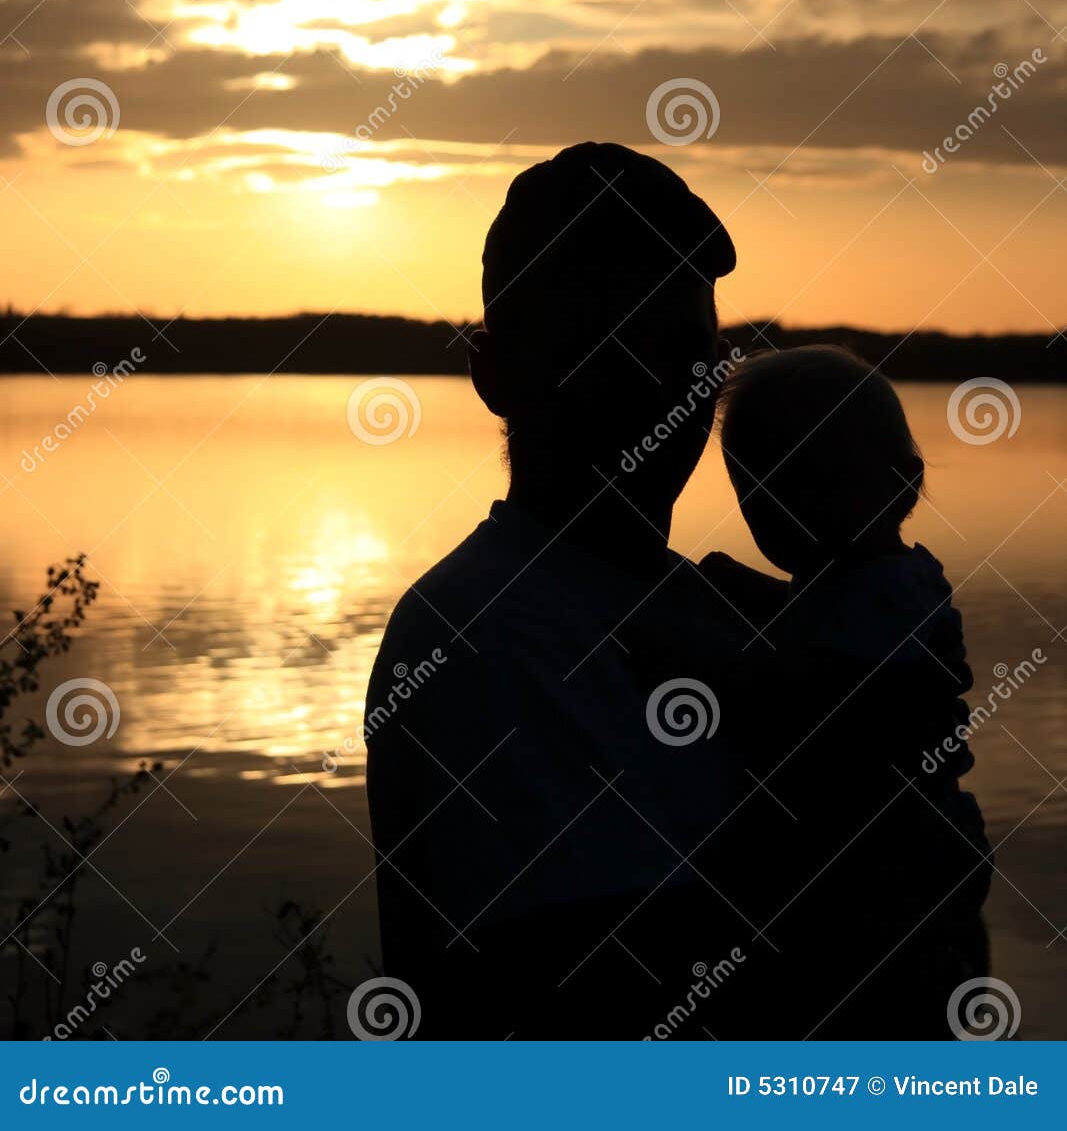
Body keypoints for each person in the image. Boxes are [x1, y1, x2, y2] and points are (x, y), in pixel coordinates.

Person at [365, 142, 785, 1038]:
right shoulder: (480, 631)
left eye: (683, 346)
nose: (658, 383)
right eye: (600, 341)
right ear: (494, 374)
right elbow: (614, 1011)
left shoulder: (707, 615)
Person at [706, 346, 991, 1036]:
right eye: (759, 488)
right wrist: (738, 589)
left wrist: (703, 660)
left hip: (895, 862)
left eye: (812, 480)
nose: (785, 508)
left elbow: (823, 680)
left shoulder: (891, 591)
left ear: (901, 486)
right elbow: (813, 627)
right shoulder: (854, 578)